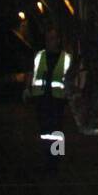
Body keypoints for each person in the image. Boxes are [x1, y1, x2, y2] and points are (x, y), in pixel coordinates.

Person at [25, 26, 71, 169]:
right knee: (45, 129)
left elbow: (71, 78)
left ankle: (56, 160)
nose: (50, 42)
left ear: (58, 40)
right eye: (48, 39)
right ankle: (47, 157)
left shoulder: (66, 58)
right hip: (42, 98)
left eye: (52, 38)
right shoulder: (39, 56)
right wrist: (27, 89)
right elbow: (32, 73)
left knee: (56, 129)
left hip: (58, 99)